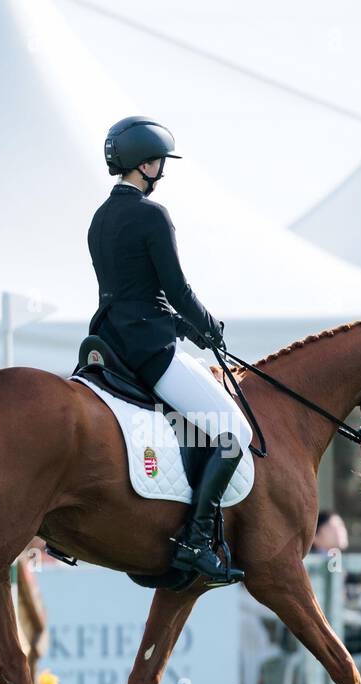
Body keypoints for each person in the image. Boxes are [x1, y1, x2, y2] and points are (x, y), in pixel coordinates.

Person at [87, 116, 251, 585]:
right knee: (231, 433)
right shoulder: (151, 215)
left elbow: (135, 292)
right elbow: (175, 289)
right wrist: (208, 326)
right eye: (160, 163)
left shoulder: (100, 218)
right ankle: (197, 541)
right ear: (147, 163)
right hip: (148, 350)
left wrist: (185, 327)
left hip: (109, 343)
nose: (162, 171)